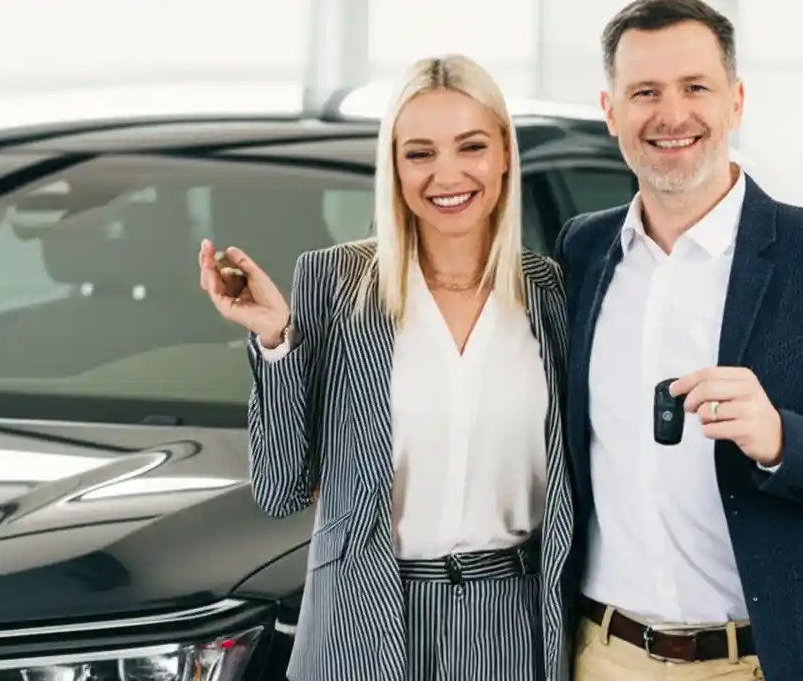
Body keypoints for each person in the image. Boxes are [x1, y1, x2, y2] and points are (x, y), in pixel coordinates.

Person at [554, 0, 803, 681]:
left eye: (695, 87)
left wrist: (783, 441)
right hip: (605, 656)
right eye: (645, 92)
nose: (672, 114)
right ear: (611, 110)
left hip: (776, 661)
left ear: (735, 101)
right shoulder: (582, 251)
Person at [199, 54, 575, 681]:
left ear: (505, 153)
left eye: (471, 146)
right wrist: (276, 340)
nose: (447, 174)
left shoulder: (551, 292)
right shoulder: (334, 283)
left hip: (512, 623)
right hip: (365, 619)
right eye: (420, 153)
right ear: (394, 167)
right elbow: (281, 487)